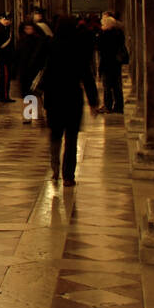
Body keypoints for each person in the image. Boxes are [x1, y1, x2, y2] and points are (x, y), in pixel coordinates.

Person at [43, 17, 100, 185]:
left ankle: (54, 166)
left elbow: (43, 71)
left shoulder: (50, 45)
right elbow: (86, 75)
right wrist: (93, 101)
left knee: (55, 135)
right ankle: (68, 175)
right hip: (73, 97)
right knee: (71, 137)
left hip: (54, 97)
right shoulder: (77, 48)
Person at [15, 21, 47, 125]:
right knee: (27, 94)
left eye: (30, 28)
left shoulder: (39, 41)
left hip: (35, 70)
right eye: (26, 28)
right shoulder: (22, 41)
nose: (28, 30)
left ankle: (38, 115)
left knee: (35, 92)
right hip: (24, 71)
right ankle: (27, 116)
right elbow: (17, 56)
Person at [97, 14, 128, 113]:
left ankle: (108, 105)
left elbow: (101, 49)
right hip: (116, 63)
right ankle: (119, 106)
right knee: (117, 86)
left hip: (107, 64)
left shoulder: (105, 35)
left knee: (107, 86)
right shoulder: (119, 34)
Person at [0, 13, 17, 102]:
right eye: (5, 19)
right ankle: (4, 96)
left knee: (6, 78)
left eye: (8, 19)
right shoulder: (0, 30)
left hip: (6, 57)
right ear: (0, 20)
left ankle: (4, 95)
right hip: (3, 58)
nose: (7, 21)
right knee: (5, 77)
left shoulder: (6, 29)